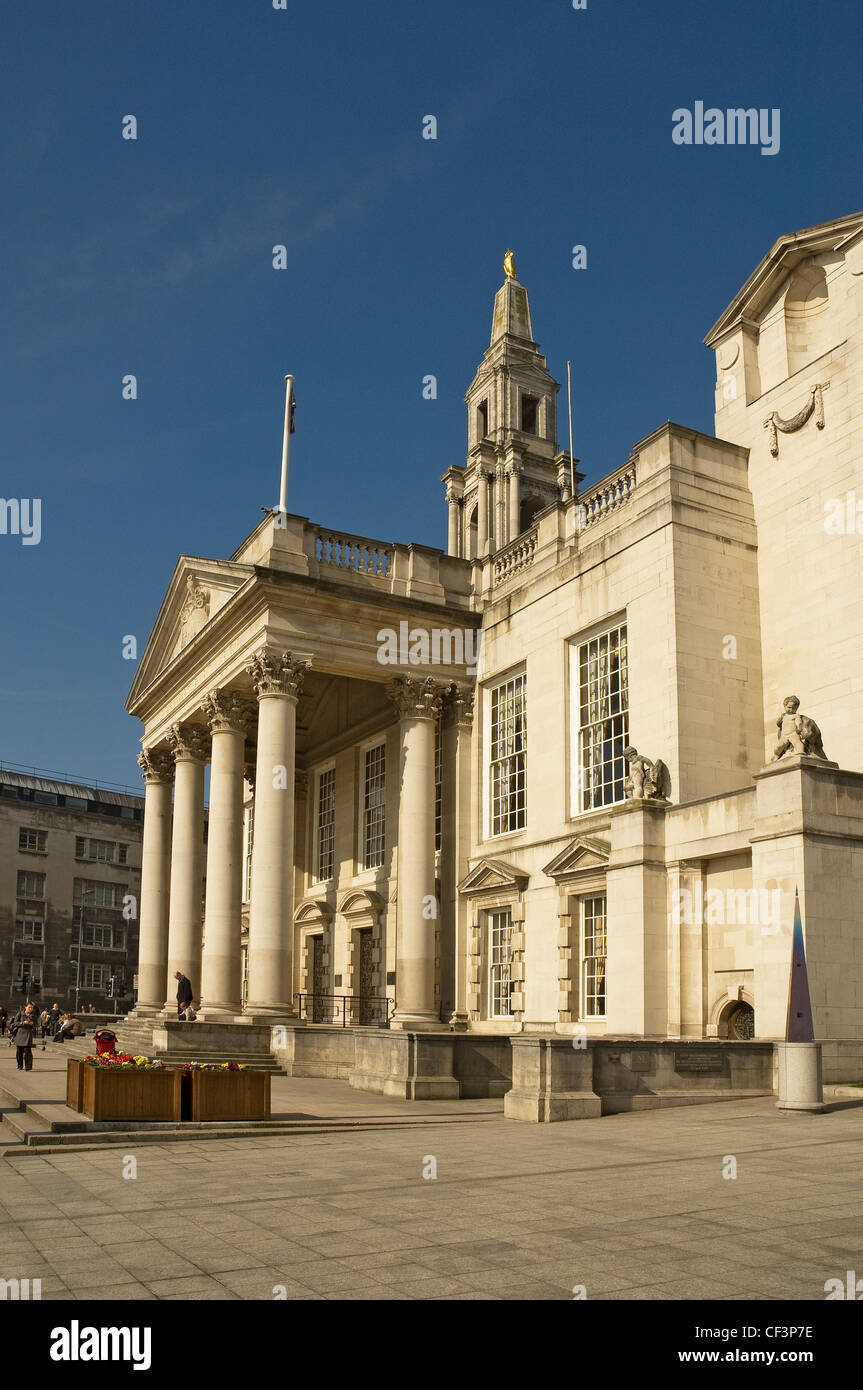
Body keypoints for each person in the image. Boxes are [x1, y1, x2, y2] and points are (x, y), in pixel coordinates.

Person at [9, 1003, 38, 1070]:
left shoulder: (33, 1015)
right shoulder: (20, 1014)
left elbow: (36, 1024)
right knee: (19, 1051)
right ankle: (20, 1065)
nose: (31, 1009)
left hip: (28, 1034)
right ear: (25, 1007)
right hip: (20, 1033)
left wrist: (32, 1024)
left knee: (28, 1051)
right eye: (29, 1007)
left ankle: (28, 1067)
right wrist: (22, 1023)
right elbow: (14, 1023)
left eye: (32, 1008)